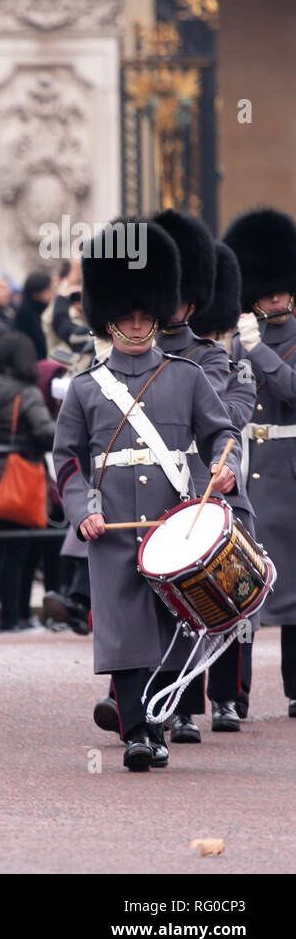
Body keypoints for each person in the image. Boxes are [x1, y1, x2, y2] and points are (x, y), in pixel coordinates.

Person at [52, 219, 240, 771]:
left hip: (172, 519)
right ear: (107, 320)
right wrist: (83, 511)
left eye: (143, 316)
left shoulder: (185, 376)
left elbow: (221, 433)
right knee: (124, 629)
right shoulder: (87, 387)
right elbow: (66, 461)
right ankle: (136, 729)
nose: (135, 327)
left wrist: (224, 468)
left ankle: (158, 726)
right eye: (125, 317)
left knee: (169, 630)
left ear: (157, 314)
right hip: (111, 526)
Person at [224, 207, 296, 720]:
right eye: (266, 289)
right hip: (247, 466)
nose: (274, 297)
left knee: (295, 589)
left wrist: (260, 352)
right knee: (236, 585)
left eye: (281, 288)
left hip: (289, 472)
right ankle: (232, 694)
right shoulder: (233, 344)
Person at [188, 241, 255, 729]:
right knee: (184, 599)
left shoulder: (239, 364)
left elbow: (230, 416)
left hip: (223, 480)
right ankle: (184, 705)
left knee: (228, 592)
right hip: (177, 484)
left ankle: (227, 697)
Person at [0, 331, 55, 631]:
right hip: (21, 476)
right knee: (19, 551)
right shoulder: (27, 393)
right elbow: (46, 432)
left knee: (5, 548)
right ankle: (12, 617)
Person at [14, 270, 53, 360]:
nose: (51, 292)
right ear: (36, 293)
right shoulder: (25, 313)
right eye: (48, 289)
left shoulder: (44, 308)